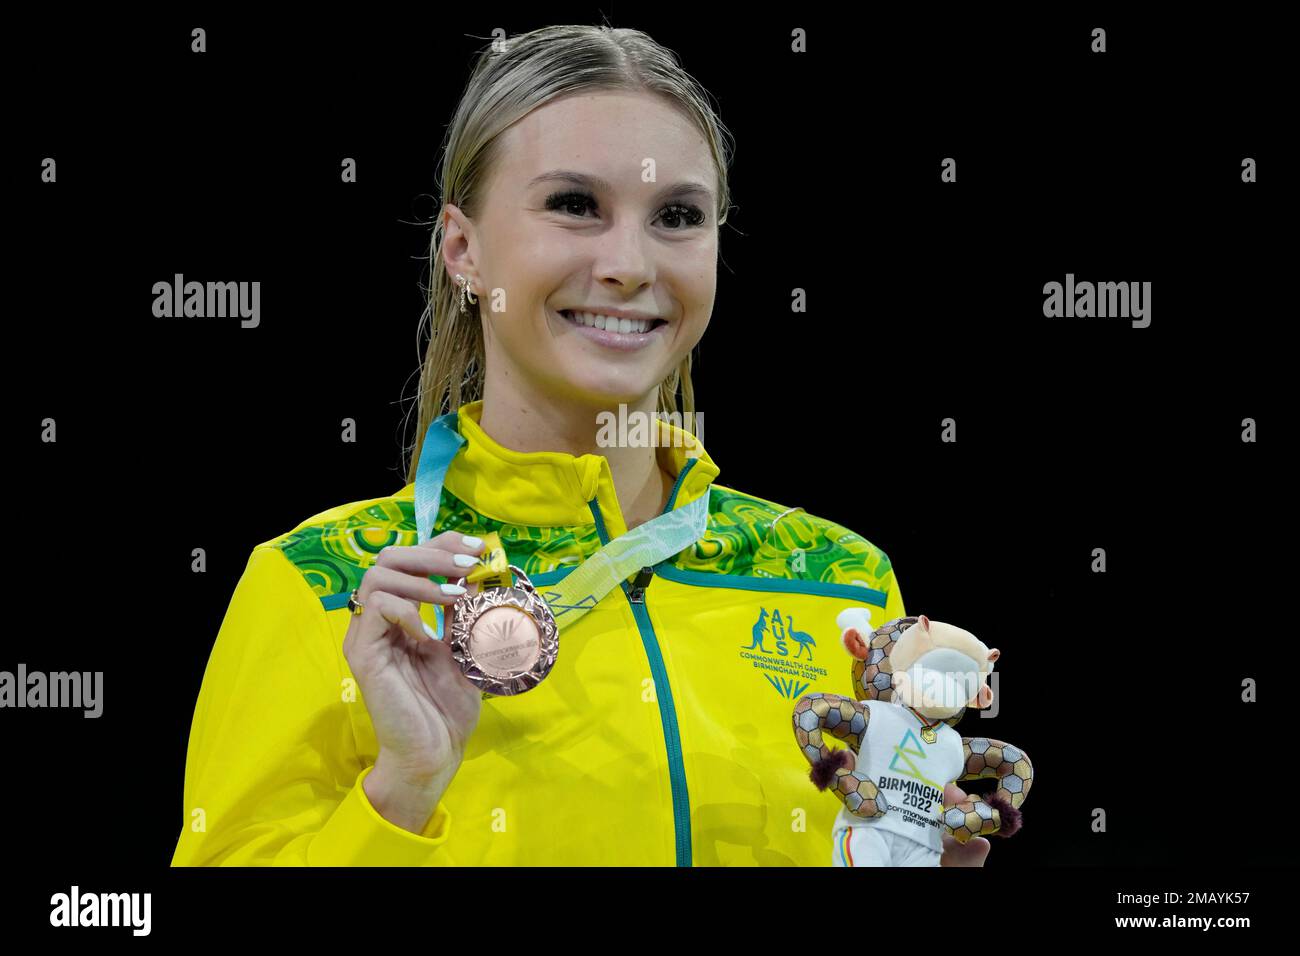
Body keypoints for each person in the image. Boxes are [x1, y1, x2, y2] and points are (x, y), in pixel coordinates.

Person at [170, 23, 989, 867]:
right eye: (573, 205)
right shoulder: (321, 585)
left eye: (677, 216)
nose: (629, 264)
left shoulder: (838, 583)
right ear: (463, 248)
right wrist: (403, 789)